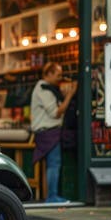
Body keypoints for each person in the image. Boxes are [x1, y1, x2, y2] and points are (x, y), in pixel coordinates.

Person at [31, 62, 77, 203]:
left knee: (53, 164)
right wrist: (70, 94)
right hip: (48, 133)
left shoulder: (48, 89)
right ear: (49, 74)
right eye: (58, 75)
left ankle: (52, 195)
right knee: (54, 164)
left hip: (49, 132)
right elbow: (56, 113)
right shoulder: (43, 90)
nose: (60, 78)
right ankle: (52, 196)